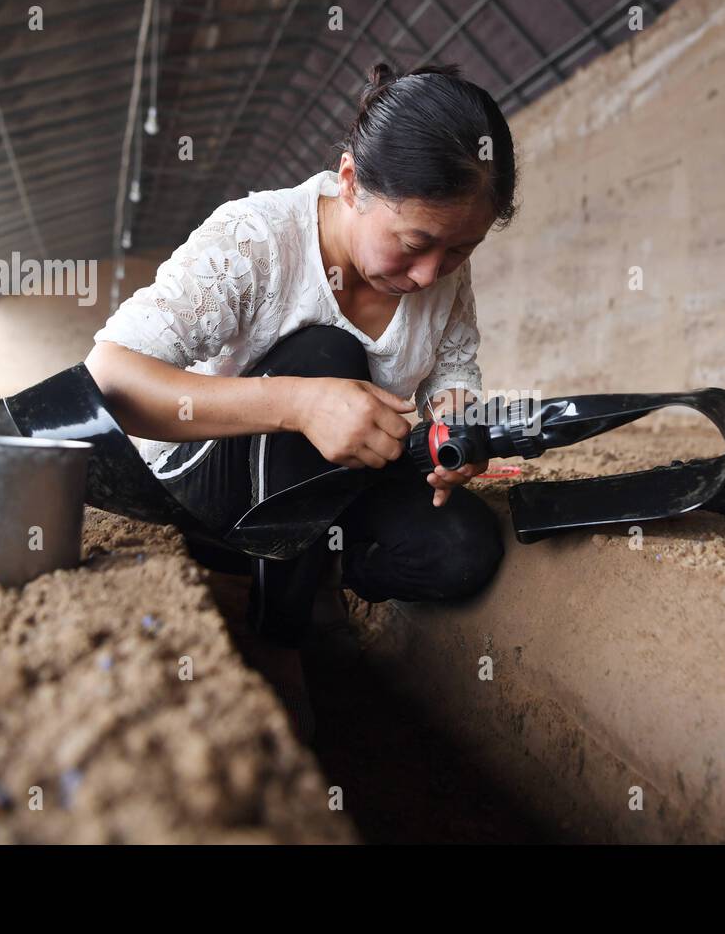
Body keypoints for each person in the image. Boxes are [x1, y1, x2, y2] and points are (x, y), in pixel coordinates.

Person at [84, 62, 519, 743]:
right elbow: (110, 376)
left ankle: (318, 569)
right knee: (324, 355)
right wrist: (296, 404)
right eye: (415, 244)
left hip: (333, 482)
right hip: (213, 484)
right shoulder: (259, 239)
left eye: (461, 249)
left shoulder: (436, 274)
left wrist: (453, 428)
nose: (432, 273)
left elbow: (452, 373)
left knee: (464, 550)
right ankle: (276, 637)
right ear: (350, 184)